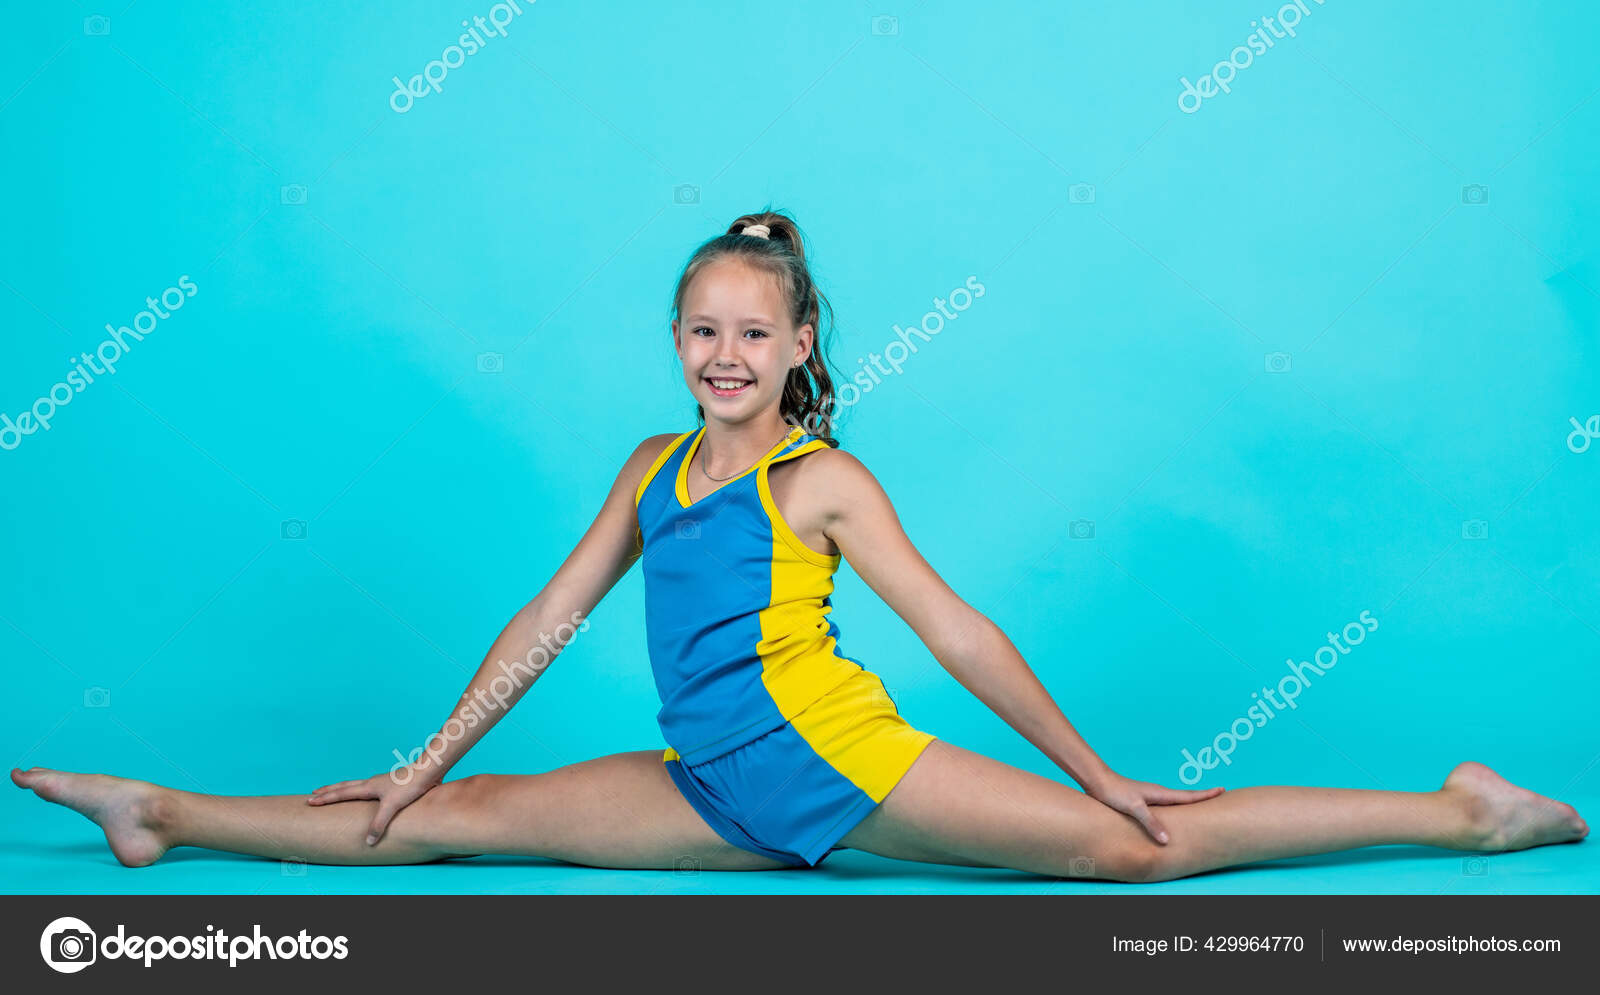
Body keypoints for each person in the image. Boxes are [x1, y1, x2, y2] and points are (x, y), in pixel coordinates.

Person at [12, 210, 1588, 881]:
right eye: (700, 329)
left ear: (799, 343)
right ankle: (161, 812)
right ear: (676, 340)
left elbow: (954, 632)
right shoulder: (649, 465)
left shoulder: (823, 481)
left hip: (828, 761)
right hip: (715, 783)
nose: (722, 353)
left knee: (1126, 852)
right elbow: (544, 620)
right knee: (444, 818)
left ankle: (1456, 818)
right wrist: (426, 750)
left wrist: (1099, 764)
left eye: (751, 333)